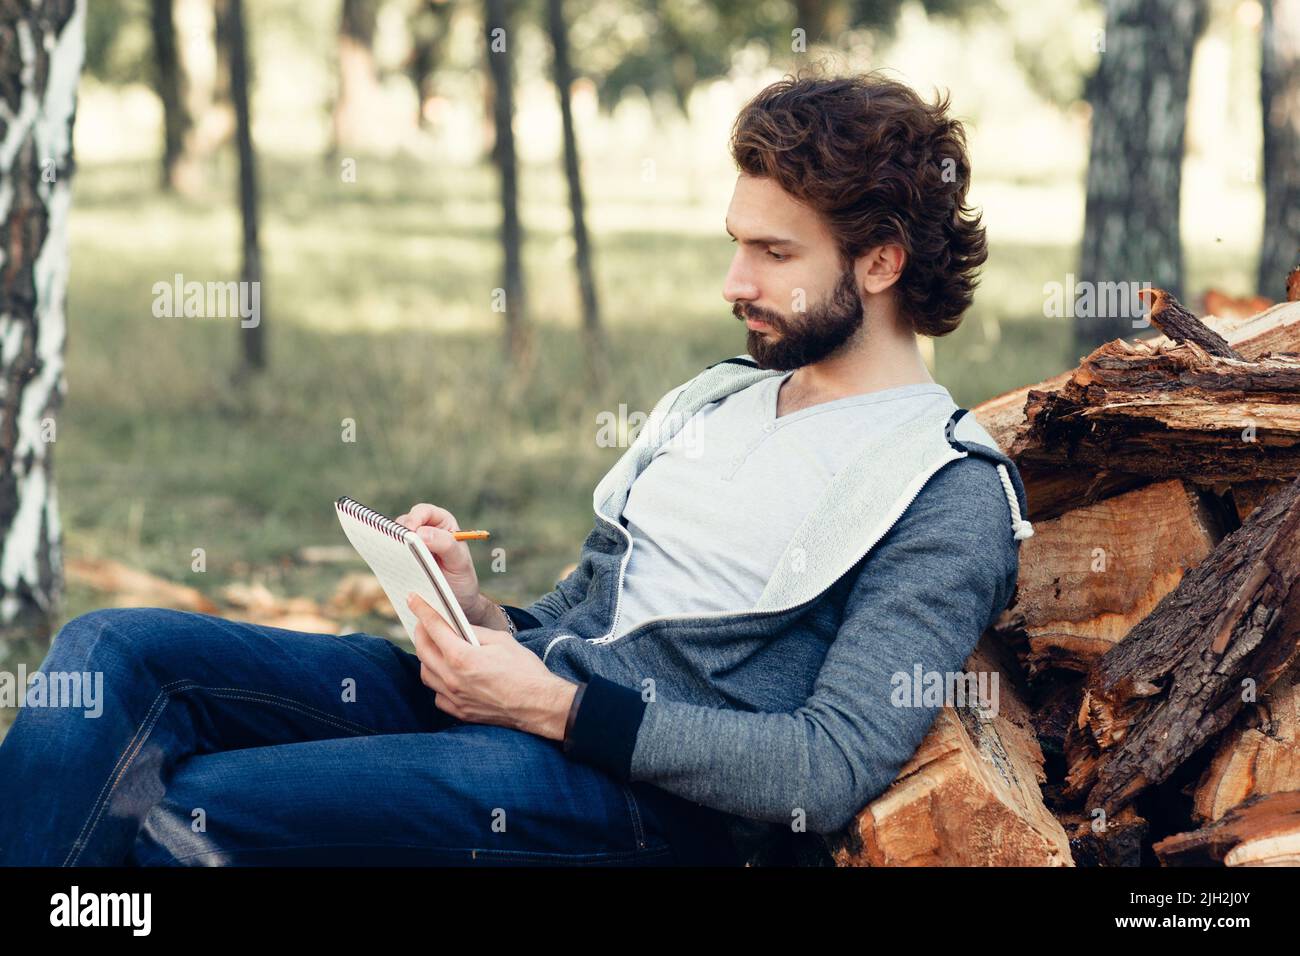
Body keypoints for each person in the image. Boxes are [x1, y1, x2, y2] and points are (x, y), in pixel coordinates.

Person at [0, 69, 1031, 867]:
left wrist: (551, 706)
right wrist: (475, 613)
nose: (733, 281)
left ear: (881, 260)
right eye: (735, 243)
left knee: (188, 812)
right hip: (520, 703)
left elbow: (828, 763)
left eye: (772, 253)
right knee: (110, 654)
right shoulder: (717, 397)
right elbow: (583, 607)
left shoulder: (942, 489)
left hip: (634, 796)